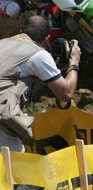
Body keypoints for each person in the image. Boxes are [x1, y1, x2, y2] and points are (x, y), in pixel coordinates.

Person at [0, 15, 80, 152]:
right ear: (47, 39)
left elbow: (12, 81)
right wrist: (74, 62)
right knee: (12, 164)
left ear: (21, 31)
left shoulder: (4, 43)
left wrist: (49, 74)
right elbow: (66, 93)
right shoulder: (38, 54)